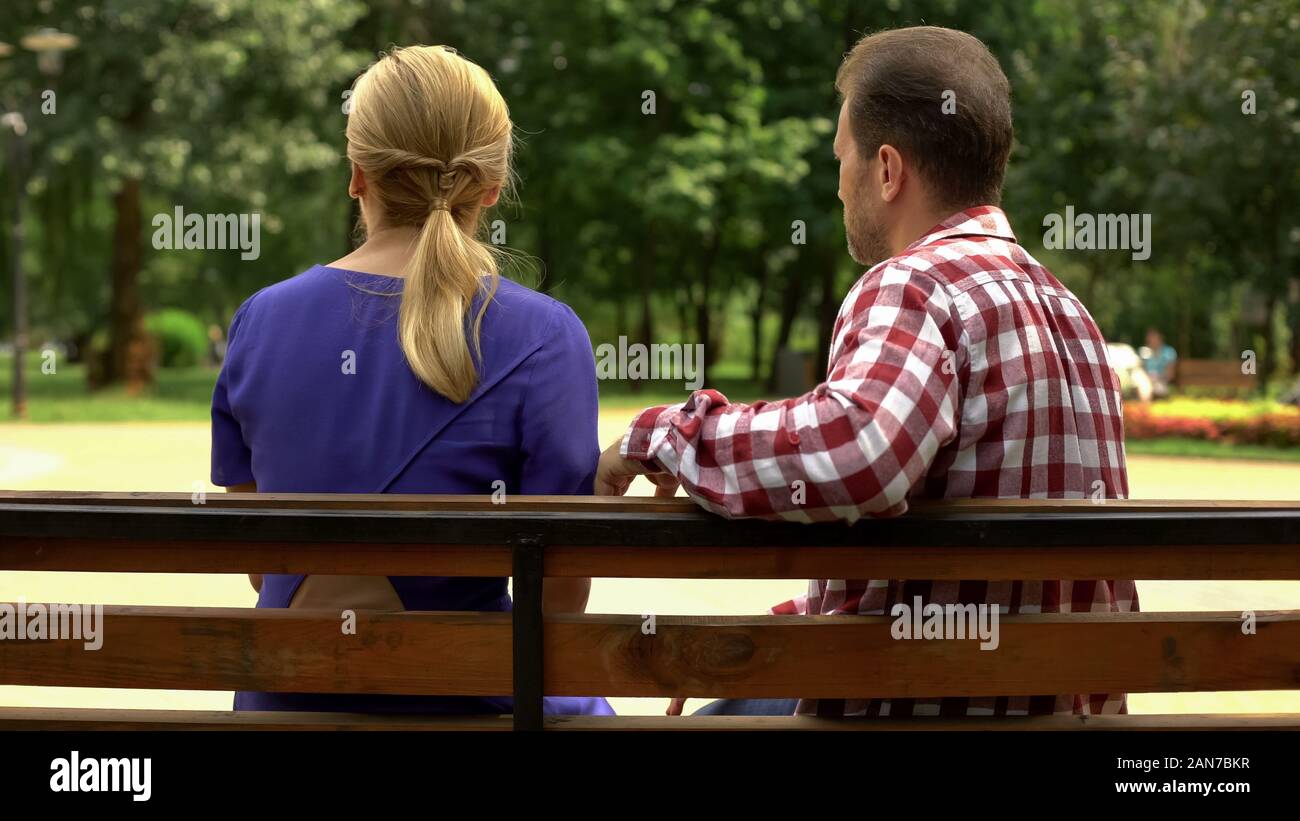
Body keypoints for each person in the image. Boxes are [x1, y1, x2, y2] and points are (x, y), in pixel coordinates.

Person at [596, 26, 1136, 719]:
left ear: (887, 170)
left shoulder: (916, 286)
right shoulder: (1072, 316)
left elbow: (854, 452)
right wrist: (783, 623)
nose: (839, 184)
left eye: (840, 159)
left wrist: (663, 434)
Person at [211, 45, 612, 717]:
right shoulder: (545, 334)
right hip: (473, 705)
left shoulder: (261, 321)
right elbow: (558, 599)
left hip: (286, 705)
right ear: (490, 185)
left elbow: (263, 565)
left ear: (357, 173)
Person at [1140, 328, 1177, 398]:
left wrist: (1157, 378)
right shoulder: (1144, 351)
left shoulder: (1169, 352)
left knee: (1154, 388)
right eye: (1149, 338)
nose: (1151, 340)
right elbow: (1141, 370)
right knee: (1144, 385)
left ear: (1160, 338)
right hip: (1145, 382)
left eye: (1153, 337)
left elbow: (1170, 375)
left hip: (1161, 382)